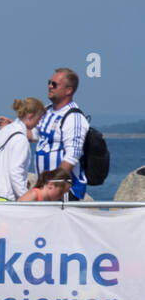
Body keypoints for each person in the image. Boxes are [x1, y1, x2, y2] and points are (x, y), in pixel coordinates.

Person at [34, 68, 91, 201]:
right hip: (46, 189)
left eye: (54, 84)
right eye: (49, 82)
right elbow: (35, 135)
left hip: (63, 190)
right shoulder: (47, 111)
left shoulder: (73, 117)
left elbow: (72, 156)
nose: (49, 86)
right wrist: (14, 128)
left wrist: (52, 186)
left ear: (68, 90)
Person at [0, 98, 43, 201]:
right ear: (30, 116)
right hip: (6, 198)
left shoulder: (1, 132)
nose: (38, 124)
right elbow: (15, 173)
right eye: (38, 119)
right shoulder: (21, 139)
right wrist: (26, 197)